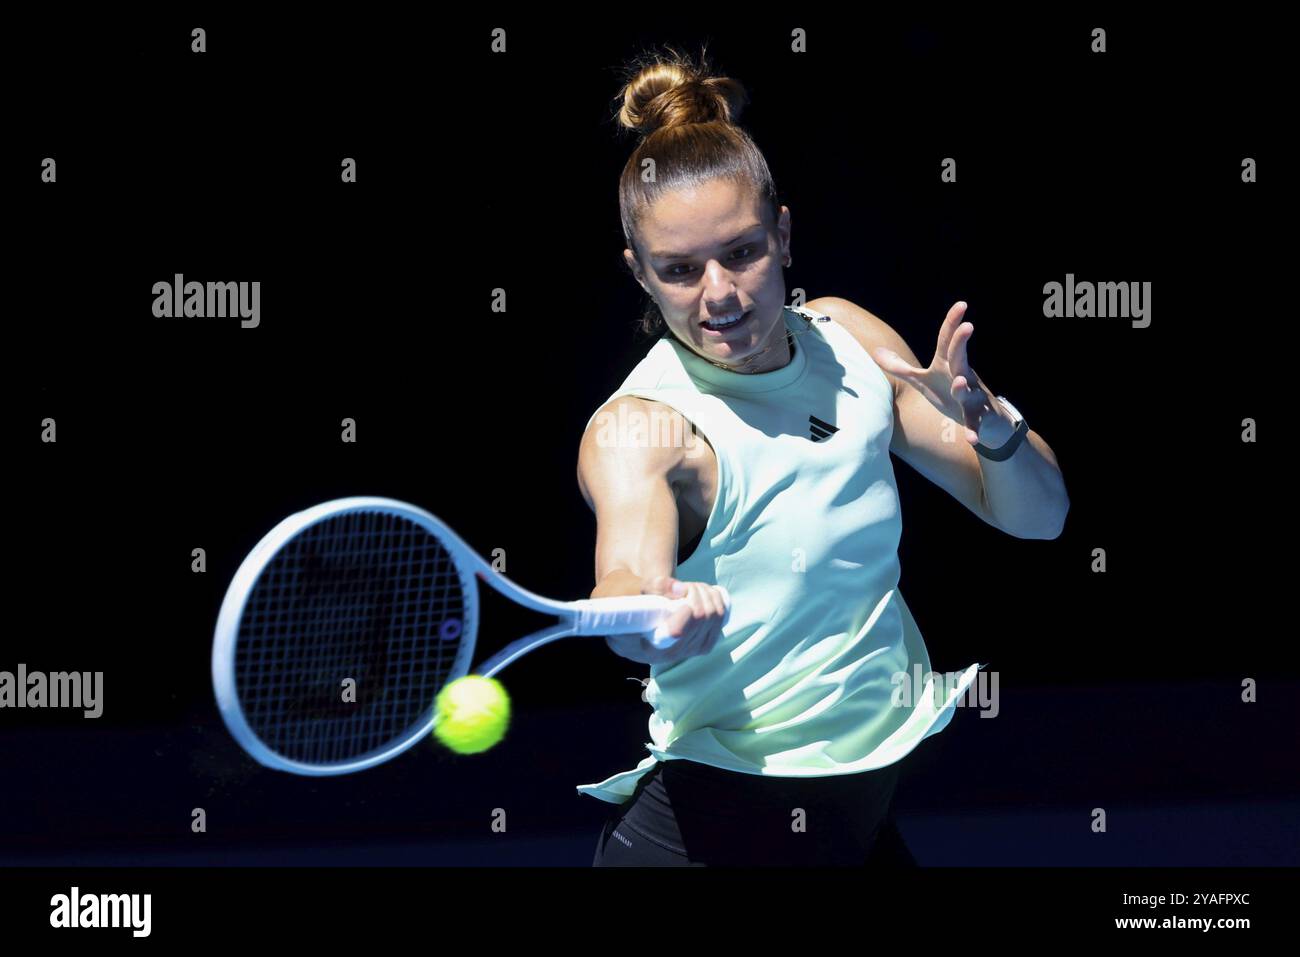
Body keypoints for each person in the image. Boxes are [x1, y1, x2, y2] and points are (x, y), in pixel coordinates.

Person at [576, 46, 1069, 866]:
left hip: (859, 820)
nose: (720, 294)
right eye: (680, 270)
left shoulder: (850, 343)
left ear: (785, 233)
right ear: (641, 275)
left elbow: (1042, 518)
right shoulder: (642, 428)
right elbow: (623, 581)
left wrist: (992, 424)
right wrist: (651, 616)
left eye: (741, 252)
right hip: (706, 839)